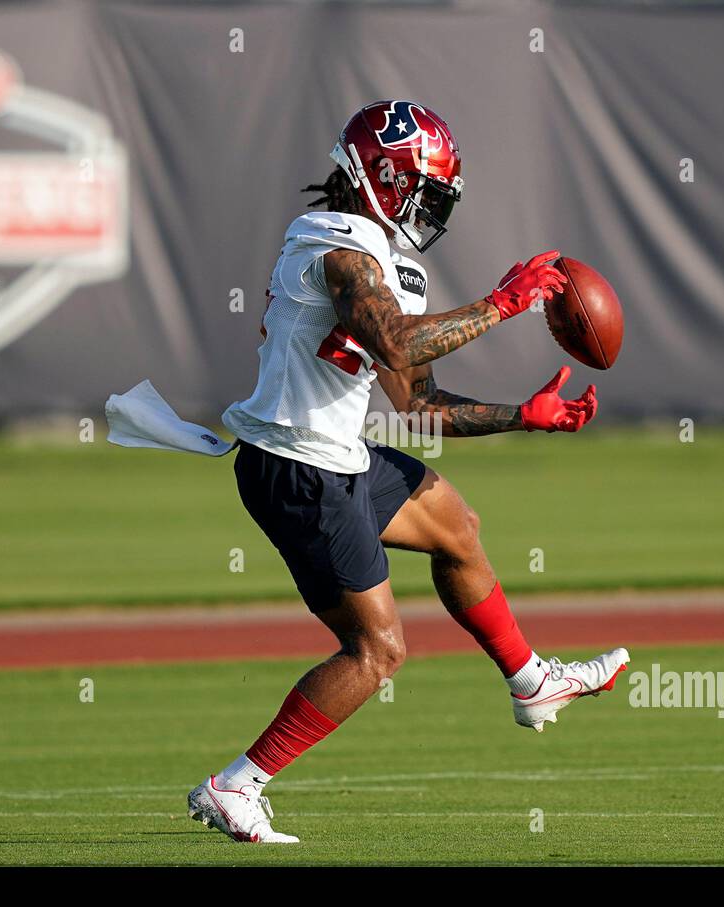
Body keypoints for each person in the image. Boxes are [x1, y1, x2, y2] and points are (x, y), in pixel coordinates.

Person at [186, 100, 629, 843]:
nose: (430, 208)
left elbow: (417, 403)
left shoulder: (385, 262)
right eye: (422, 189)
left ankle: (532, 683)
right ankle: (237, 784)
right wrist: (503, 303)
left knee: (456, 523)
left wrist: (523, 414)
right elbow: (394, 344)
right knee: (378, 650)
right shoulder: (335, 244)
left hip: (339, 455)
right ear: (381, 178)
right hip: (296, 467)